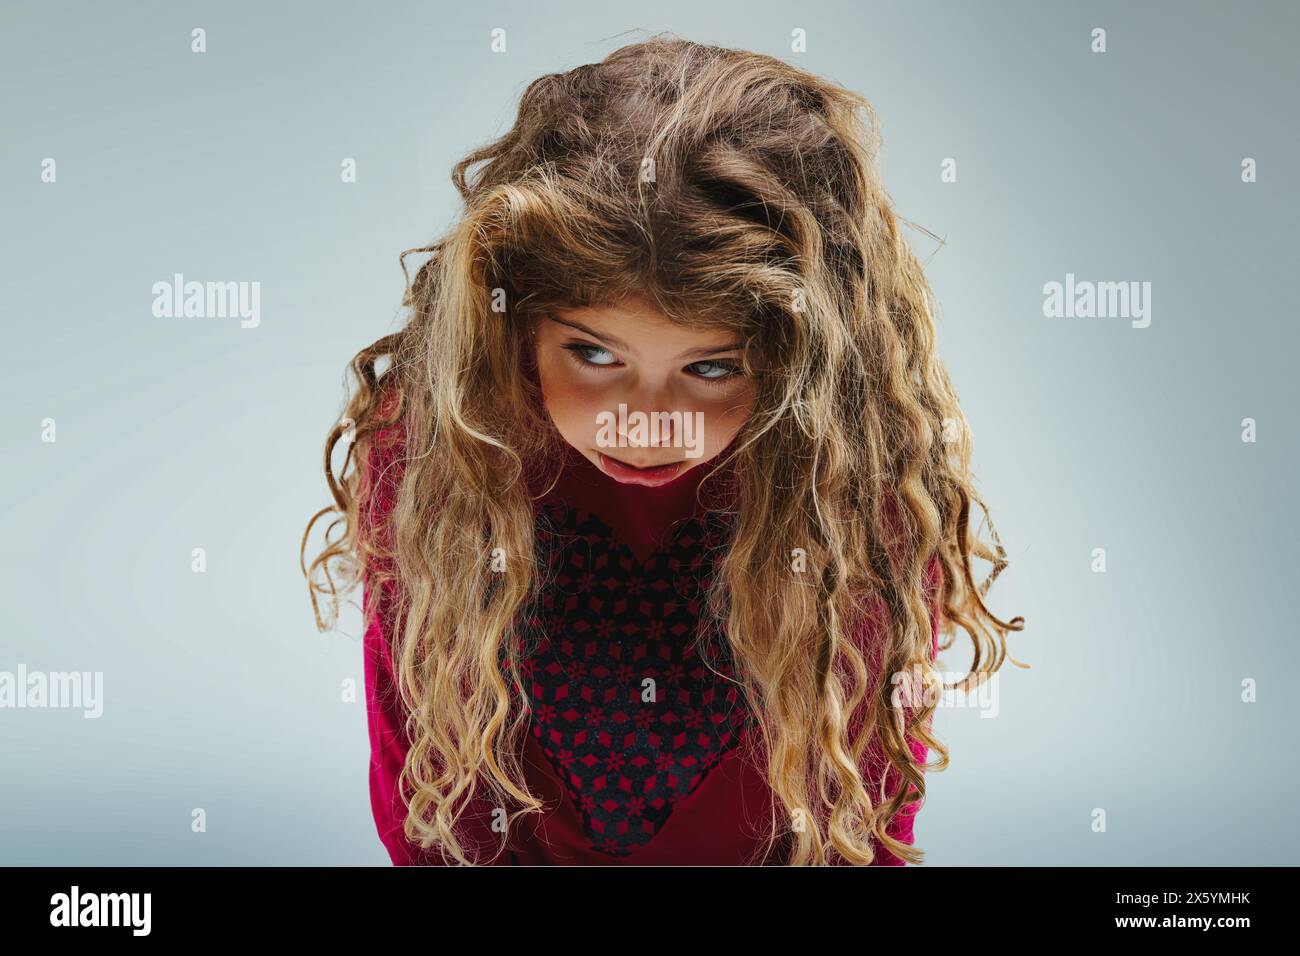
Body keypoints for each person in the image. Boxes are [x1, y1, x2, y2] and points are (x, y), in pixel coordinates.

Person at [302, 35, 1024, 866]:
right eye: (594, 355)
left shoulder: (854, 491)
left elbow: (861, 829)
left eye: (712, 368)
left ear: (801, 363)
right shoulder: (441, 455)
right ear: (514, 319)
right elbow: (429, 817)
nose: (644, 423)